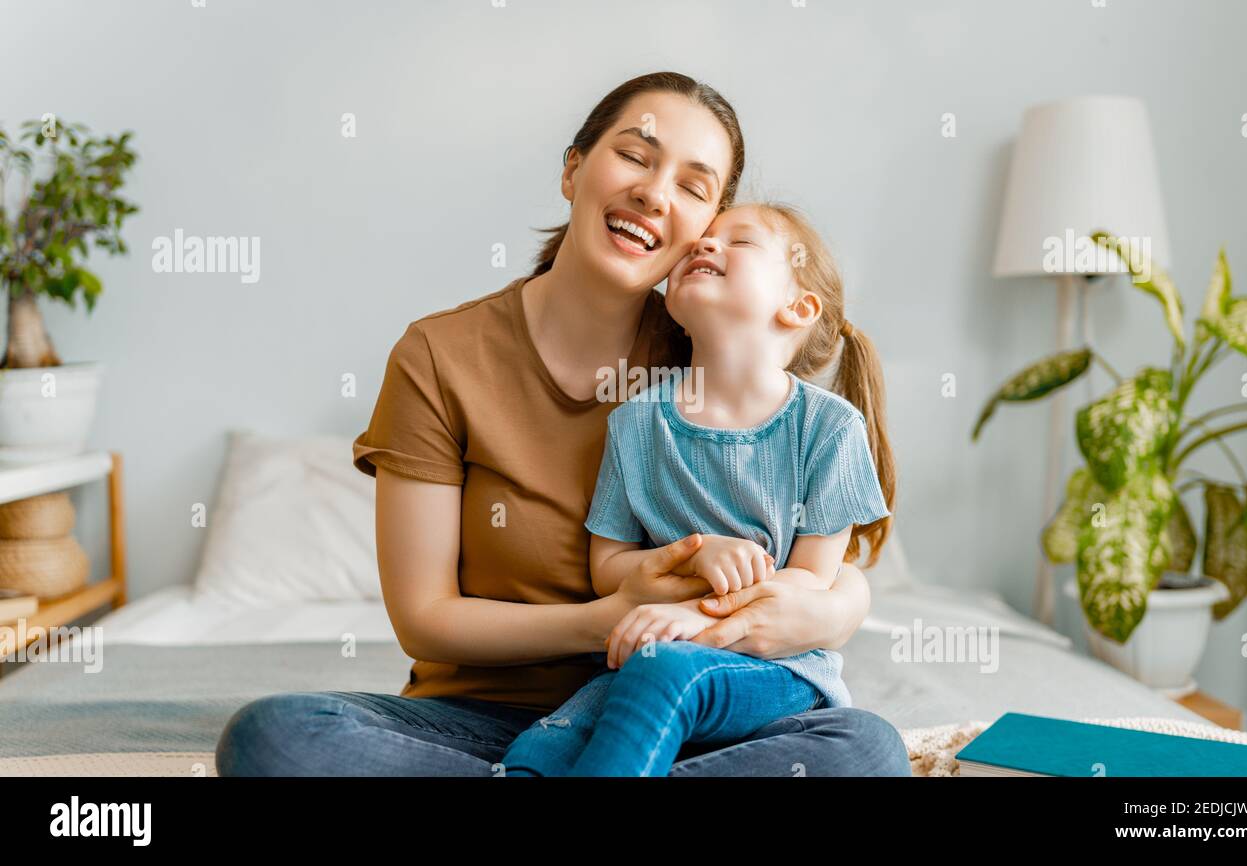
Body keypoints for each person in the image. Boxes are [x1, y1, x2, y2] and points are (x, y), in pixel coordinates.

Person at [215, 72, 909, 777]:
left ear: (708, 228)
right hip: (480, 719)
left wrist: (833, 613)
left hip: (694, 719)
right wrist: (611, 618)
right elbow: (424, 618)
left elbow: (828, 570)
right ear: (573, 169)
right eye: (634, 156)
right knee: (277, 736)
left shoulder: (715, 349)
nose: (654, 193)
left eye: (693, 187)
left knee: (867, 750)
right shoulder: (440, 356)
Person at [499, 202, 896, 776]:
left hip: (775, 665)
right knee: (540, 748)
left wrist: (698, 621)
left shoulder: (829, 427)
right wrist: (694, 555)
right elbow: (607, 567)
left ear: (798, 307)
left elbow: (812, 579)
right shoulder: (635, 423)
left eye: (740, 241)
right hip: (649, 657)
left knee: (668, 673)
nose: (705, 246)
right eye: (702, 241)